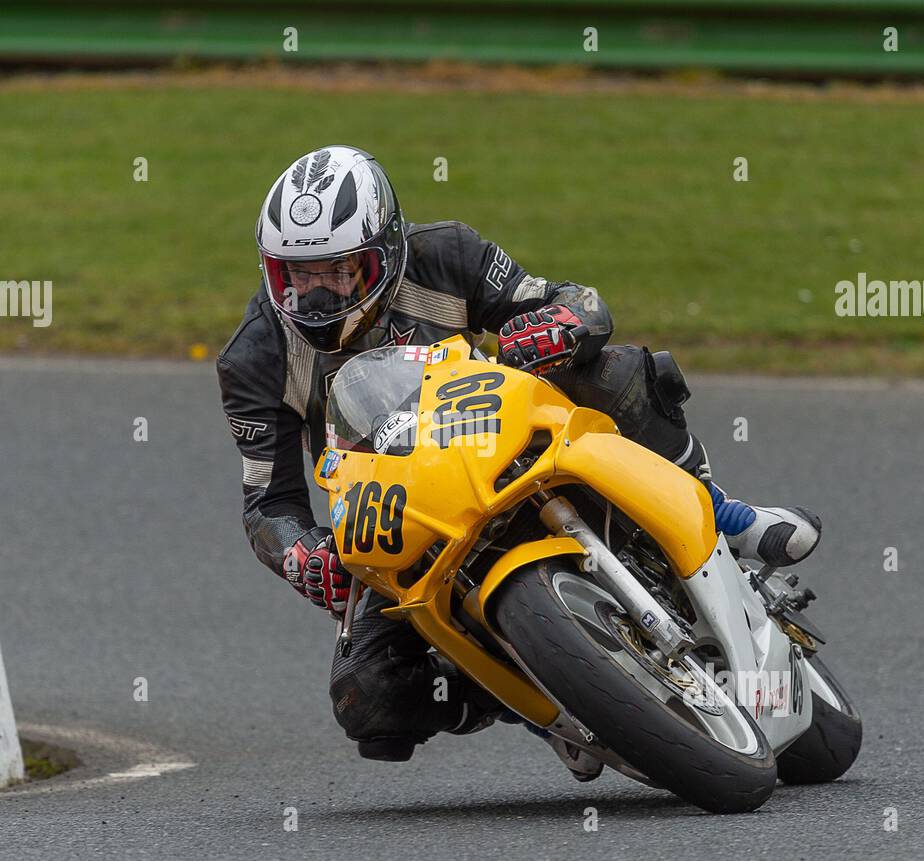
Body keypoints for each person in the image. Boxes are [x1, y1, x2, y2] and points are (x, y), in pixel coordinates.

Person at [218, 145, 821, 770]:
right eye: (297, 276)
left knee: (615, 372)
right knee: (365, 700)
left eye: (339, 272)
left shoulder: (446, 253)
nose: (315, 297)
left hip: (498, 439)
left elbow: (582, 303)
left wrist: (558, 323)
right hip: (400, 509)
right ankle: (539, 700)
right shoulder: (253, 359)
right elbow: (269, 503)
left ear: (387, 252)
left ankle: (722, 516)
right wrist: (300, 554)